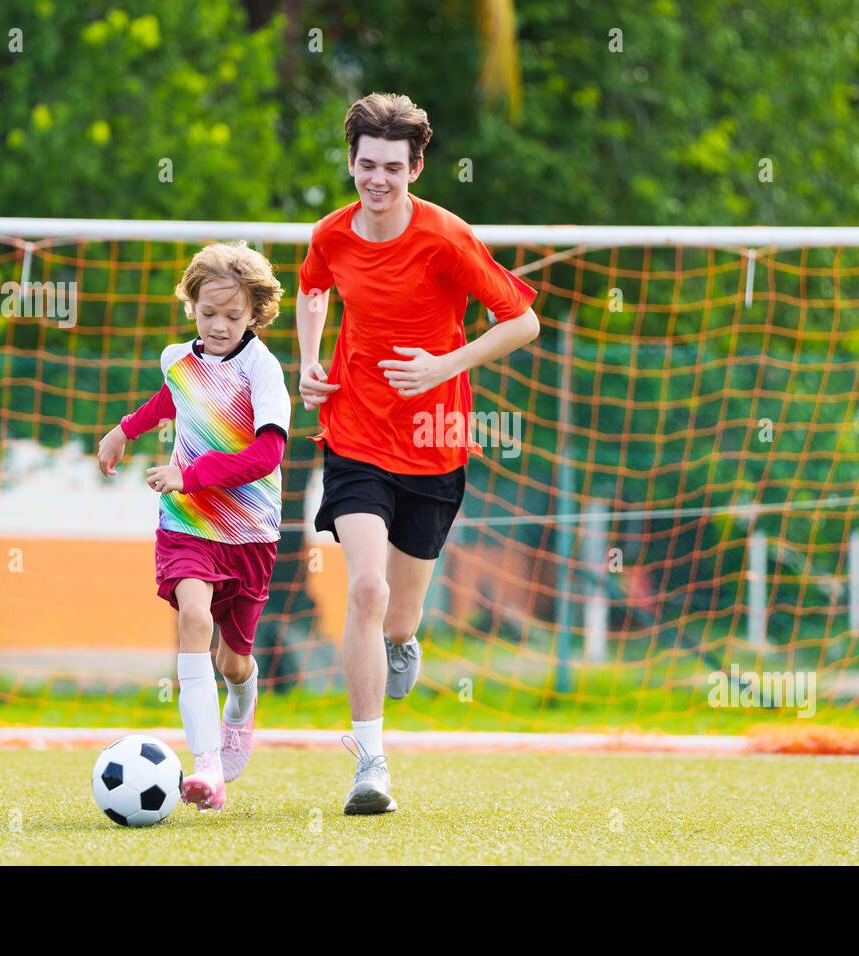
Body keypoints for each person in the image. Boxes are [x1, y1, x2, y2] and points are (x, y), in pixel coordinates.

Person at [296, 92, 541, 814]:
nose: (377, 180)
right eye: (366, 165)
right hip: (354, 438)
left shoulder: (445, 237)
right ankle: (370, 763)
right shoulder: (330, 235)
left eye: (392, 169)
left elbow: (521, 321)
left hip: (435, 448)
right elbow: (313, 289)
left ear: (416, 166)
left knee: (397, 619)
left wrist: (444, 366)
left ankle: (403, 645)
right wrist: (311, 361)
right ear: (350, 162)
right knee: (364, 591)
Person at [97, 241, 291, 813]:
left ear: (254, 313)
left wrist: (191, 474)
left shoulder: (263, 369)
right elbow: (171, 399)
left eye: (233, 316)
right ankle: (207, 766)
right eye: (208, 313)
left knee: (233, 661)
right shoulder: (177, 358)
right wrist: (123, 430)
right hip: (185, 525)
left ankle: (241, 699)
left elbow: (267, 456)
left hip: (251, 531)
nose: (219, 325)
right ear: (191, 307)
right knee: (193, 614)